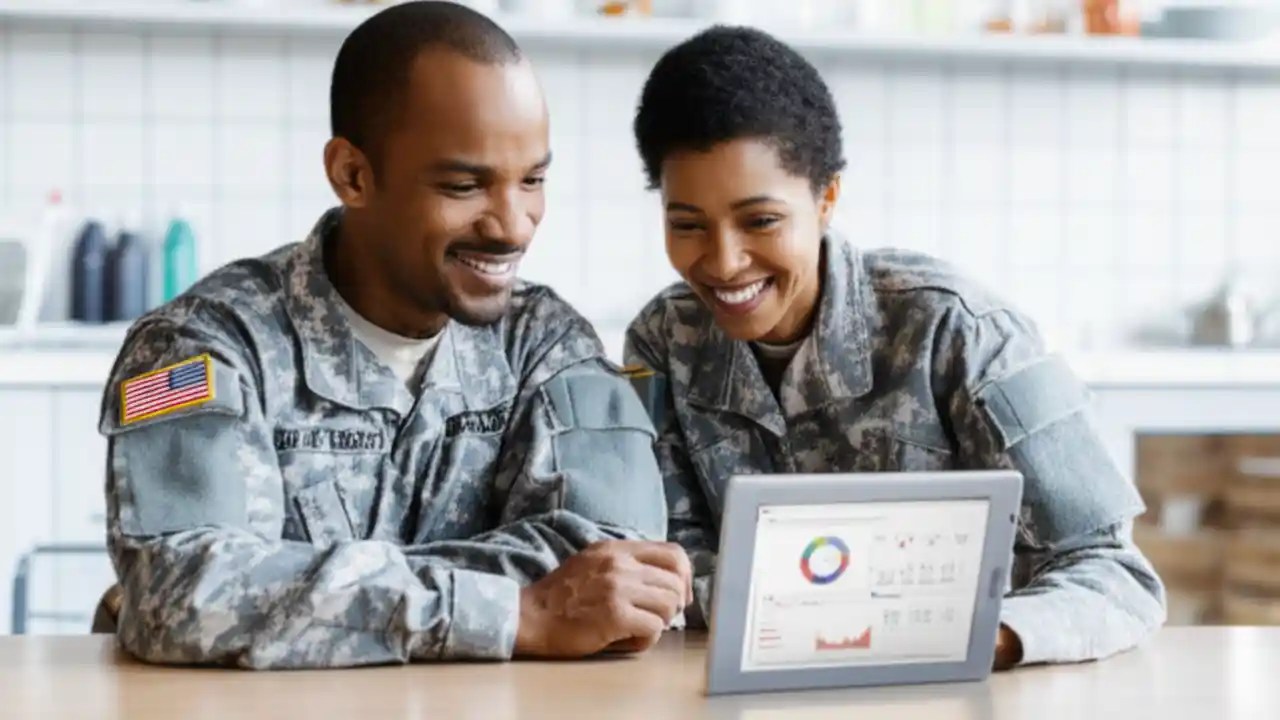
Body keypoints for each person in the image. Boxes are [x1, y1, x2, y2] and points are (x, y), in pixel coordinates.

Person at [98, 1, 690, 670]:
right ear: (353, 174)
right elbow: (183, 589)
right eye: (465, 185)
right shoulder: (203, 346)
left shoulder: (545, 344)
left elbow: (622, 572)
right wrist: (513, 614)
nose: (514, 225)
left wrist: (286, 598)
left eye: (532, 180)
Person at [623, 26, 1165, 670]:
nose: (724, 260)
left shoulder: (960, 332)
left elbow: (1113, 574)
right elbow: (670, 565)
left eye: (760, 221)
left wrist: (975, 637)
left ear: (826, 198)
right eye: (687, 225)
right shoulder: (663, 340)